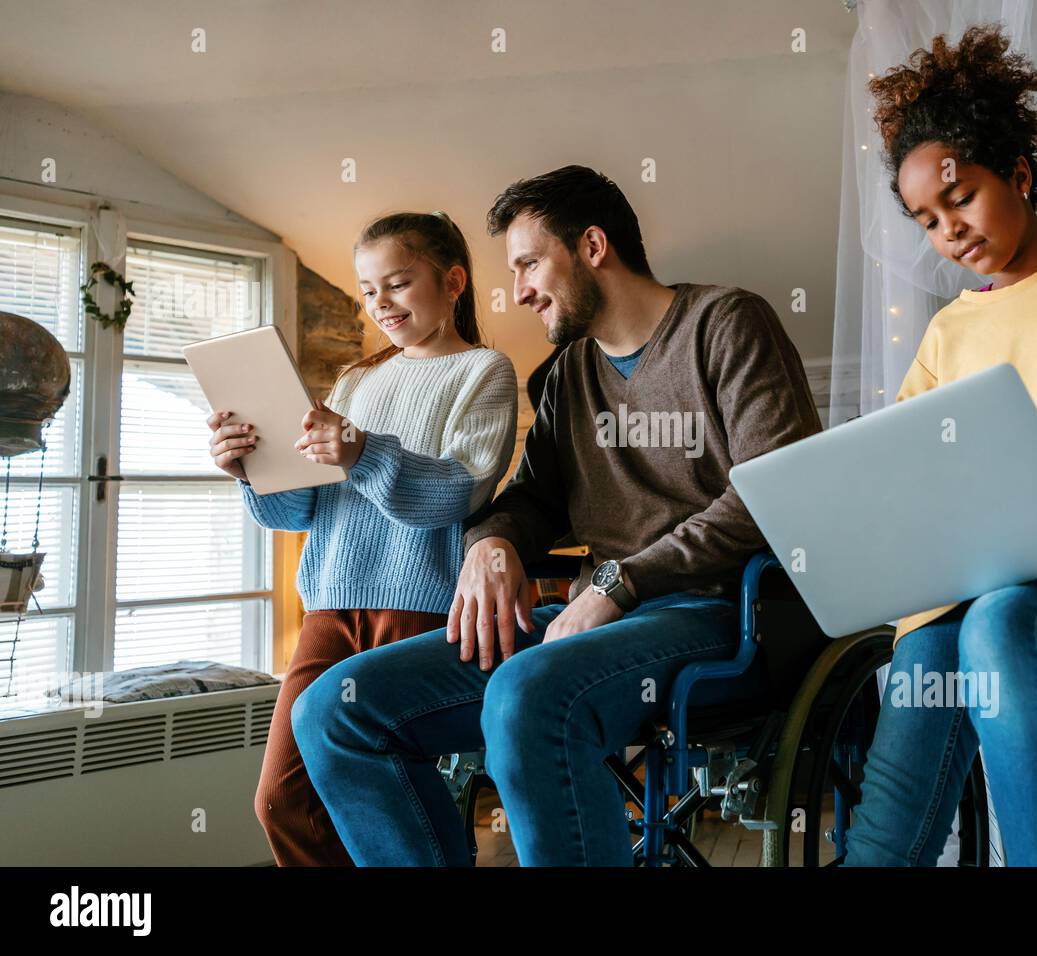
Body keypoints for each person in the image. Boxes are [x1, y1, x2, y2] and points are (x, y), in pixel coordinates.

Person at [290, 165, 822, 865]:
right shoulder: (570, 373)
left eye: (530, 264)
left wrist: (620, 582)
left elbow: (772, 492)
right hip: (595, 622)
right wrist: (492, 545)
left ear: (594, 246)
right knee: (333, 712)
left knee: (525, 691)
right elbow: (528, 500)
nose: (517, 291)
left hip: (721, 616)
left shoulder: (726, 324)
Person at [843, 24, 1037, 866]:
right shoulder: (950, 330)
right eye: (927, 220)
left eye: (962, 198)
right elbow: (901, 466)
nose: (948, 230)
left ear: (1019, 175)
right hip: (951, 589)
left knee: (996, 626)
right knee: (887, 824)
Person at [206, 211, 517, 865]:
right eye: (369, 290)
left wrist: (362, 453)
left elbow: (458, 492)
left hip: (419, 613)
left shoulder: (484, 371)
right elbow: (306, 509)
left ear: (454, 280)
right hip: (328, 608)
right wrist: (251, 471)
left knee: (383, 787)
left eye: (398, 284)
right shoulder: (355, 380)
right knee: (281, 801)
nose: (381, 304)